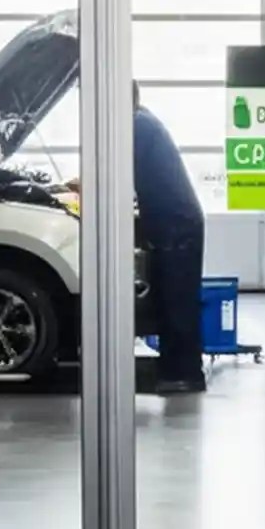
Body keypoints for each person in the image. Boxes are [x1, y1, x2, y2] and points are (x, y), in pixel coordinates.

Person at [67, 82, 207, 394]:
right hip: (172, 224)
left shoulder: (136, 126)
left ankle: (185, 375)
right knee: (172, 300)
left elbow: (115, 175)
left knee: (177, 302)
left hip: (176, 226)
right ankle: (175, 371)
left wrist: (82, 185)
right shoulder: (139, 121)